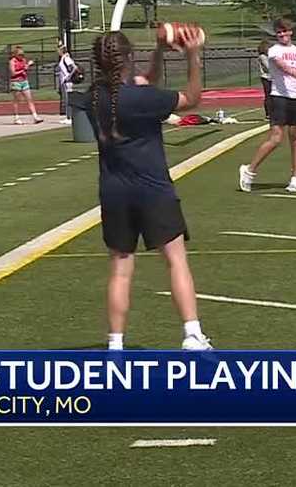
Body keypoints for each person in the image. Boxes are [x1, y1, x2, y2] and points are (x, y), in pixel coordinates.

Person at [85, 28, 212, 351]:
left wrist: (159, 50)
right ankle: (192, 334)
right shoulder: (141, 98)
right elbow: (192, 99)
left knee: (120, 270)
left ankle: (115, 345)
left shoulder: (94, 97)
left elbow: (143, 82)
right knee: (176, 260)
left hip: (114, 192)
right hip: (153, 189)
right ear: (128, 58)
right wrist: (192, 57)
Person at [239, 18, 296, 194]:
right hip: (279, 97)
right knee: (276, 138)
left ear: (290, 32)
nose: (281, 34)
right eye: (278, 32)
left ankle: (295, 178)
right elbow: (283, 67)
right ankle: (249, 170)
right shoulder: (274, 50)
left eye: (284, 31)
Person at [8, 46, 43, 125]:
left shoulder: (23, 60)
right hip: (16, 82)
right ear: (15, 54)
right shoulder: (12, 61)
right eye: (20, 55)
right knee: (17, 100)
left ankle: (35, 116)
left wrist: (27, 66)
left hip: (24, 81)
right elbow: (13, 73)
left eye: (22, 54)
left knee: (29, 99)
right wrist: (23, 70)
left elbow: (25, 69)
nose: (21, 56)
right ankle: (16, 118)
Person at [55, 44, 80, 126]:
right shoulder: (63, 58)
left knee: (68, 99)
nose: (57, 52)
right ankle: (68, 117)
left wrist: (69, 76)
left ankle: (70, 118)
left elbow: (74, 67)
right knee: (66, 99)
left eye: (58, 50)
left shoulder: (66, 58)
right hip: (64, 81)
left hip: (67, 81)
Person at [256, 37, 273, 120]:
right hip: (266, 78)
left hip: (272, 78)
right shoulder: (262, 57)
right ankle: (268, 113)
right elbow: (268, 67)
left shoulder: (269, 56)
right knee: (268, 95)